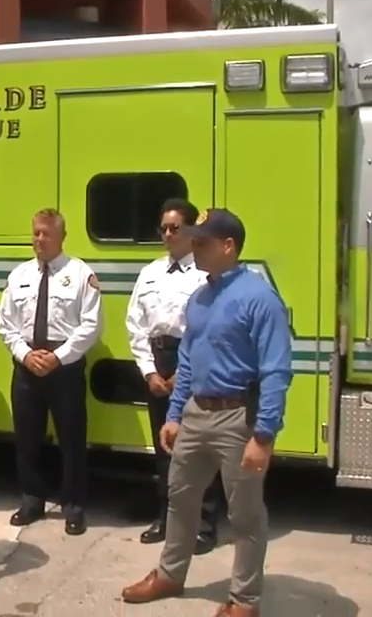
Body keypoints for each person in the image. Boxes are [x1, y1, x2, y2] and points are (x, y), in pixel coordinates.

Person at [121, 208, 294, 617]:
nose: (193, 247)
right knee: (180, 497)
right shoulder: (200, 296)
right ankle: (169, 574)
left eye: (202, 242)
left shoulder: (258, 297)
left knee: (245, 515)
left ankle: (244, 601)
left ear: (228, 246)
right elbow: (189, 358)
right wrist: (176, 414)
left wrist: (263, 436)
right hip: (197, 413)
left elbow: (276, 370)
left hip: (238, 419)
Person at [125, 198, 223, 554]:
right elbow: (135, 324)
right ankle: (165, 518)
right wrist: (149, 371)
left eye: (174, 227)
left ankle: (203, 525)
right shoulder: (149, 273)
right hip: (158, 361)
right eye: (163, 228)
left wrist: (185, 371)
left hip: (193, 362)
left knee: (199, 447)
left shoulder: (204, 274)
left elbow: (210, 329)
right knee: (164, 448)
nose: (167, 234)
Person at [0, 208, 102, 536]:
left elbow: (91, 326)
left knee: (71, 437)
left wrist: (58, 357)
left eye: (45, 233)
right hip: (27, 366)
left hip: (65, 368)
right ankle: (32, 498)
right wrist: (26, 356)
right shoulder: (19, 276)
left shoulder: (81, 274)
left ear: (61, 237)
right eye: (35, 233)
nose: (38, 239)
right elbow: (6, 324)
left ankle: (73, 505)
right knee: (27, 436)